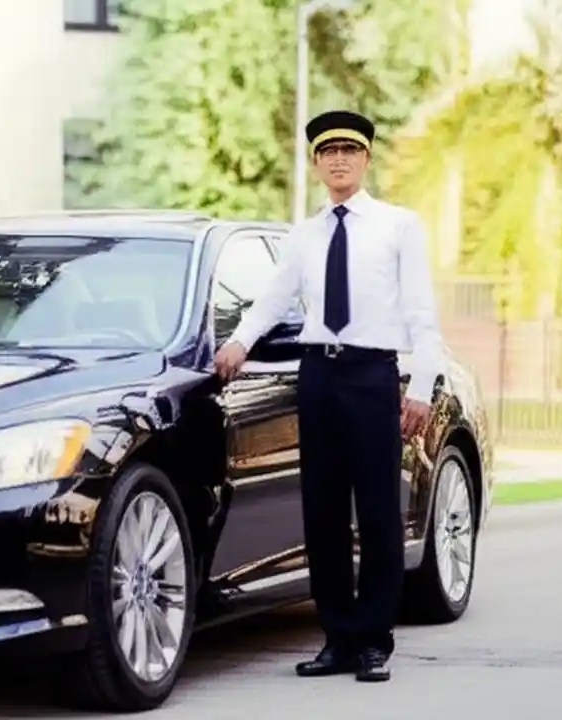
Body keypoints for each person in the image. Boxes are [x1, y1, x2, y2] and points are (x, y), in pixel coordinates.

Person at [213, 110, 444, 683]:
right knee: (321, 513)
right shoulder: (304, 234)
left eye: (349, 149)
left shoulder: (398, 226)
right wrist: (238, 344)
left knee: (378, 513)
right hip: (318, 377)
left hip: (371, 378)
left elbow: (421, 313)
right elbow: (270, 300)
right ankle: (338, 638)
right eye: (328, 151)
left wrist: (419, 386)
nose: (338, 159)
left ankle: (373, 642)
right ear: (316, 163)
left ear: (366, 159)